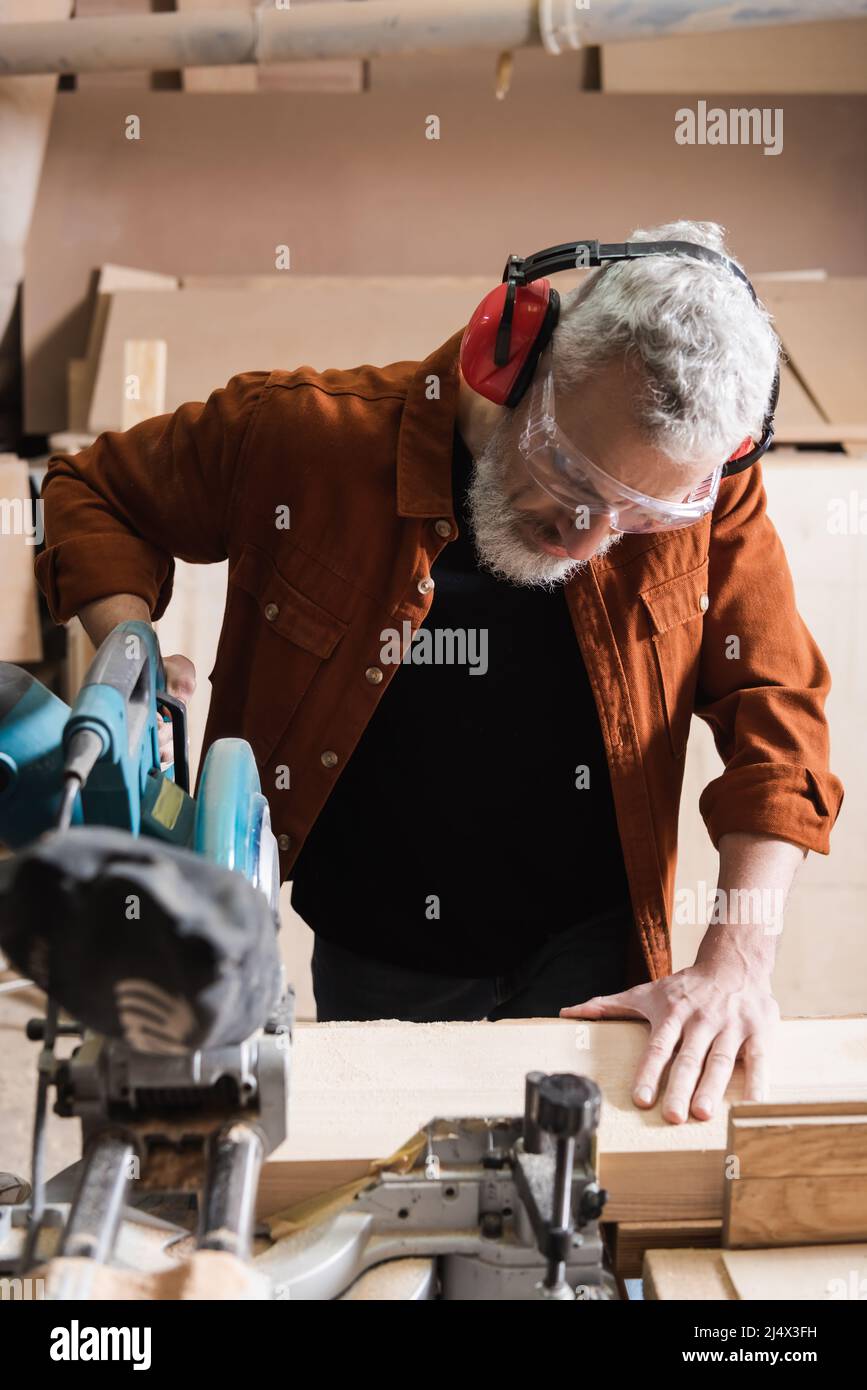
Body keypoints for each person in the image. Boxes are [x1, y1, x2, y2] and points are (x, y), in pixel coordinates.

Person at [35, 220, 842, 1124]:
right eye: (571, 476)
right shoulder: (301, 438)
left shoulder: (707, 493)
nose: (589, 539)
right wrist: (131, 640)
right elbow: (91, 490)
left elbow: (773, 703)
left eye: (641, 515)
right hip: (378, 944)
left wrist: (736, 962)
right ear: (506, 359)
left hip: (593, 948)